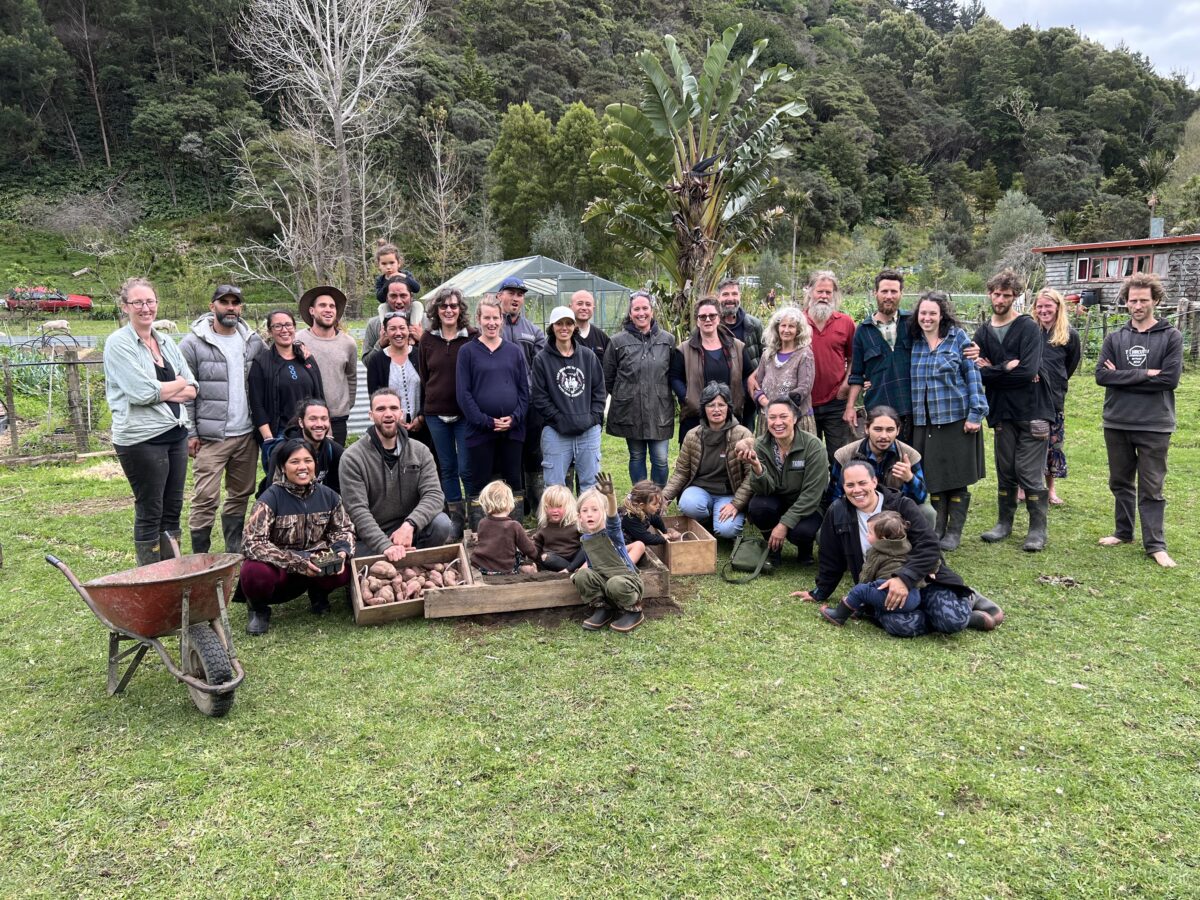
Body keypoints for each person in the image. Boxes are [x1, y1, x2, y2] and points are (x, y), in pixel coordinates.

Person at [793, 462, 1005, 636]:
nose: (856, 490)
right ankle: (944, 615)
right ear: (843, 487)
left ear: (874, 481)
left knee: (952, 623)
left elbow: (929, 545)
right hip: (883, 587)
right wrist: (820, 592)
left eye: (862, 483)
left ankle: (965, 601)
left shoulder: (902, 505)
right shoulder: (837, 511)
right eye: (850, 485)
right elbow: (831, 558)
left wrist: (904, 579)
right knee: (901, 626)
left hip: (924, 579)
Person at [105, 277, 198, 565]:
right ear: (125, 307)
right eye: (138, 302)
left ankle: (171, 572)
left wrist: (167, 390)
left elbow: (193, 388)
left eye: (150, 301)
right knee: (150, 509)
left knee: (172, 508)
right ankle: (150, 576)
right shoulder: (118, 344)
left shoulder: (166, 341)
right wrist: (176, 385)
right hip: (141, 439)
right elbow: (141, 393)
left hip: (175, 434)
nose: (145, 308)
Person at [1095, 273, 1182, 568]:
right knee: (1120, 481)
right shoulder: (1115, 337)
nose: (1137, 305)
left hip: (1154, 424)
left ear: (1155, 300)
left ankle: (1156, 545)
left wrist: (1121, 376)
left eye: (1144, 300)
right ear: (1126, 302)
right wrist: (1146, 373)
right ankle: (1123, 531)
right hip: (1117, 421)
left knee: (1151, 487)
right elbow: (1102, 376)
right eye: (1133, 300)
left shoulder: (1171, 336)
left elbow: (1169, 379)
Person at [970, 269, 1053, 552]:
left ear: (1015, 296)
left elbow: (1029, 370)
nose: (1001, 298)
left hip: (1033, 411)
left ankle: (1037, 530)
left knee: (1028, 472)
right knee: (1006, 471)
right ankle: (1003, 524)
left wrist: (990, 370)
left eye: (1007, 294)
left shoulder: (1029, 327)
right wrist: (1004, 367)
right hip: (1001, 411)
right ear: (990, 294)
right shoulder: (983, 332)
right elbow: (974, 373)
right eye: (996, 293)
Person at [180, 283, 266, 555]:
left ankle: (232, 550)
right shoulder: (193, 343)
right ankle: (200, 557)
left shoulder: (252, 341)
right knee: (205, 497)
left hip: (246, 435)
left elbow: (274, 363)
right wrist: (191, 433)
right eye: (224, 302)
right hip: (211, 436)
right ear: (212, 306)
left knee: (240, 494)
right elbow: (185, 391)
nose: (231, 307)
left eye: (235, 303)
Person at [240, 438, 355, 635]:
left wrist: (342, 551)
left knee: (344, 568)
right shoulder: (270, 499)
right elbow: (252, 543)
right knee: (253, 572)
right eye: (294, 462)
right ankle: (258, 609)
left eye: (308, 461)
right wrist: (297, 562)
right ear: (283, 467)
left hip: (315, 563)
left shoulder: (329, 496)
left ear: (315, 465)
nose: (302, 467)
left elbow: (344, 530)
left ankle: (319, 594)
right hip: (282, 569)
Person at [909, 291, 988, 552]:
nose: (927, 318)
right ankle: (938, 528)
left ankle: (954, 532)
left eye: (932, 313)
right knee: (933, 475)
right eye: (923, 313)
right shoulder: (914, 342)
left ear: (942, 315)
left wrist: (976, 413)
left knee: (956, 476)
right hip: (925, 419)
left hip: (955, 417)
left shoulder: (958, 339)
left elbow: (973, 375)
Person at [339, 389, 451, 562]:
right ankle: (398, 561)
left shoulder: (420, 451)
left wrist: (410, 525)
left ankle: (414, 561)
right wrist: (386, 546)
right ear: (370, 415)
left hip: (409, 532)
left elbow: (434, 495)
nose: (388, 414)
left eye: (393, 408)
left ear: (401, 413)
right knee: (353, 555)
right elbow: (357, 511)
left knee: (442, 524)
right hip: (371, 538)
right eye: (381, 409)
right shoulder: (352, 458)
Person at [456, 295, 529, 527]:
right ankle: (481, 530)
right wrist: (486, 421)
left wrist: (515, 418)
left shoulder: (514, 351)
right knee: (480, 483)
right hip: (480, 431)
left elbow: (524, 392)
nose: (491, 323)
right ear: (478, 319)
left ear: (502, 321)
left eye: (495, 318)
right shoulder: (467, 352)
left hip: (512, 431)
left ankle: (513, 528)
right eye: (486, 318)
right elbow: (463, 394)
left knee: (513, 482)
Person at [735, 397, 829, 568]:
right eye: (772, 417)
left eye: (783, 417)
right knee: (758, 507)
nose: (777, 422)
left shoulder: (814, 446)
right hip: (778, 499)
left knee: (801, 532)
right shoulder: (762, 445)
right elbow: (763, 489)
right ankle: (773, 549)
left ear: (794, 419)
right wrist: (757, 467)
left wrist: (784, 524)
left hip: (809, 505)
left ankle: (805, 548)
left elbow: (812, 494)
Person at [663, 381, 755, 540]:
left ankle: (717, 521)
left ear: (729, 407)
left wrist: (736, 504)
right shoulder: (692, 435)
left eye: (721, 404)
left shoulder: (742, 435)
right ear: (704, 408)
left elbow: (751, 476)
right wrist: (664, 497)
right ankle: (706, 521)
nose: (717, 409)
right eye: (711, 405)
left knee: (726, 531)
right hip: (700, 491)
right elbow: (681, 472)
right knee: (688, 504)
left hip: (729, 494)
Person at [603, 290, 677, 487]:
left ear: (652, 311)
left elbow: (673, 374)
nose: (641, 313)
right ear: (630, 312)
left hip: (659, 409)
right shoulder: (617, 342)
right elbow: (608, 378)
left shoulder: (667, 340)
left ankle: (658, 498)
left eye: (645, 308)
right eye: (636, 309)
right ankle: (640, 498)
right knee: (636, 456)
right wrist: (627, 395)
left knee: (660, 459)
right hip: (631, 410)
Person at [418, 286, 475, 532]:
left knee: (467, 467)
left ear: (460, 309)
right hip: (435, 414)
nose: (449, 310)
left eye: (453, 306)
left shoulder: (472, 337)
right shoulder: (428, 340)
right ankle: (456, 522)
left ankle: (476, 518)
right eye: (444, 306)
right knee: (447, 467)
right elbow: (424, 375)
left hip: (464, 414)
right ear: (436, 310)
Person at [531, 305, 605, 491]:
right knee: (555, 486)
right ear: (552, 327)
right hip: (556, 431)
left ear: (574, 327)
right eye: (559, 324)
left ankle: (589, 520)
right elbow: (539, 397)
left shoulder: (588, 357)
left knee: (590, 484)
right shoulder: (541, 360)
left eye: (569, 323)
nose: (564, 328)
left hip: (588, 431)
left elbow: (599, 392)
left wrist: (592, 419)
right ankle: (559, 520)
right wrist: (559, 419)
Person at [829, 406, 933, 527]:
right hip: (858, 511)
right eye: (878, 429)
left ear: (898, 430)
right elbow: (834, 497)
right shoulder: (845, 455)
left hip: (896, 513)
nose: (884, 436)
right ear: (867, 429)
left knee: (928, 512)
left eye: (890, 430)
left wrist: (910, 478)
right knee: (823, 533)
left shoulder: (909, 455)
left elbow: (921, 498)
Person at [248, 308, 325, 470]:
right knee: (280, 480)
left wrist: (325, 429)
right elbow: (256, 404)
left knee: (309, 477)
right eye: (278, 326)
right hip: (279, 433)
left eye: (288, 325)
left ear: (294, 328)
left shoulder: (306, 359)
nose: (284, 330)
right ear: (270, 331)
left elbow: (319, 396)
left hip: (308, 431)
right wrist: (268, 438)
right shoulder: (262, 363)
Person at [497, 276, 548, 513]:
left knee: (533, 451)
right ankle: (511, 502)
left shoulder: (534, 331)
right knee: (508, 454)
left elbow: (540, 366)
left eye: (520, 294)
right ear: (500, 296)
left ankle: (535, 501)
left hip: (529, 402)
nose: (515, 298)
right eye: (511, 293)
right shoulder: (492, 327)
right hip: (501, 403)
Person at [819, 510, 923, 625]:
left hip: (893, 596)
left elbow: (866, 575)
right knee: (872, 589)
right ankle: (857, 610)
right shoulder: (907, 544)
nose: (866, 535)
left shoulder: (878, 553)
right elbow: (929, 558)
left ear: (882, 538)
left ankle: (839, 615)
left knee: (861, 590)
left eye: (869, 533)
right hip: (914, 596)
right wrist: (933, 571)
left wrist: (858, 590)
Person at [574, 473, 647, 634]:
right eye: (585, 511)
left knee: (615, 583)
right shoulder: (585, 539)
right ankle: (603, 609)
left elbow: (613, 517)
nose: (589, 514)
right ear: (579, 517)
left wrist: (611, 496)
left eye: (594, 510)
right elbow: (592, 564)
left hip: (626, 582)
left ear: (604, 513)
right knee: (581, 576)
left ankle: (634, 611)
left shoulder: (612, 532)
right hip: (605, 582)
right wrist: (581, 573)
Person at [845, 269, 913, 441]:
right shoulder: (863, 331)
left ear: (901, 294)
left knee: (912, 461)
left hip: (913, 407)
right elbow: (857, 374)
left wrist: (968, 347)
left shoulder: (913, 323)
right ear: (875, 293)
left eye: (893, 291)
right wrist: (850, 406)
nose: (889, 296)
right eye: (884, 291)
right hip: (880, 410)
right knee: (881, 461)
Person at [676, 297, 753, 443]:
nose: (707, 320)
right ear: (697, 321)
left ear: (719, 318)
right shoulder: (684, 350)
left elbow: (748, 375)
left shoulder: (737, 346)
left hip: (730, 418)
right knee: (695, 461)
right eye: (702, 316)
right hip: (695, 419)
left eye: (712, 315)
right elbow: (675, 377)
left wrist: (740, 395)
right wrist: (687, 398)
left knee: (730, 462)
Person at [1032, 288, 1081, 505]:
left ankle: (1050, 490)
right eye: (1039, 306)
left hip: (1053, 397)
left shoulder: (1069, 334)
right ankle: (1024, 487)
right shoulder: (1029, 331)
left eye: (1048, 306)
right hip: (1029, 396)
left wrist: (1055, 382)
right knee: (1027, 444)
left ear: (1058, 307)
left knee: (1052, 445)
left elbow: (1070, 365)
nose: (1043, 310)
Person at [803, 270, 856, 461]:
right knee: (810, 457)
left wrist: (845, 385)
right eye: (820, 291)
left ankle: (838, 490)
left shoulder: (846, 323)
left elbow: (853, 359)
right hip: (804, 403)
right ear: (810, 292)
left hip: (835, 401)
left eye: (828, 292)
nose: (824, 296)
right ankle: (816, 491)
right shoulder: (798, 322)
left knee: (839, 455)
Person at [296, 285, 357, 446]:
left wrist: (346, 404)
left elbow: (351, 376)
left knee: (334, 465)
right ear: (311, 311)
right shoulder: (298, 340)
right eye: (322, 305)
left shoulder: (348, 343)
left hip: (337, 417)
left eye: (332, 306)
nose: (328, 309)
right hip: (306, 417)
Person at [365, 312, 432, 456]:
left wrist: (421, 417)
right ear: (385, 333)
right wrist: (394, 419)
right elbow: (374, 395)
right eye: (392, 329)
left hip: (423, 427)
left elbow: (431, 389)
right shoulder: (377, 360)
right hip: (390, 428)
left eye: (402, 328)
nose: (398, 333)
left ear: (409, 330)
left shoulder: (420, 355)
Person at [747, 305, 816, 436]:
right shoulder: (768, 354)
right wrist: (765, 403)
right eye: (783, 326)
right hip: (768, 419)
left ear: (798, 330)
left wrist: (779, 408)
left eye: (791, 326)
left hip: (795, 420)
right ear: (777, 328)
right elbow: (757, 385)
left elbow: (804, 389)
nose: (786, 330)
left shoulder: (805, 355)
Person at [257, 398, 343, 498]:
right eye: (313, 419)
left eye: (324, 419)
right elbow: (272, 494)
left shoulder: (333, 450)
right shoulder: (282, 450)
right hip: (285, 507)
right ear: (301, 422)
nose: (319, 424)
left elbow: (338, 491)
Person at [717, 277, 764, 428]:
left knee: (746, 441)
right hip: (719, 397)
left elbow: (765, 357)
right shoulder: (711, 325)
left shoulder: (753, 325)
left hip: (747, 398)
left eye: (734, 294)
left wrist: (756, 377)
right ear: (718, 297)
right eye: (725, 294)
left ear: (740, 296)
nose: (730, 299)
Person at [469, 480, 540, 575]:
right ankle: (526, 569)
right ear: (509, 503)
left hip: (481, 565)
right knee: (518, 557)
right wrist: (537, 555)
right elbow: (528, 548)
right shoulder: (514, 526)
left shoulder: (482, 522)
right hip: (504, 568)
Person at [363, 271, 424, 364]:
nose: (398, 301)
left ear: (411, 297)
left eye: (403, 295)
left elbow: (439, 361)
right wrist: (380, 345)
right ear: (386, 298)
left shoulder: (426, 322)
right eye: (393, 296)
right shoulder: (374, 325)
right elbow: (367, 363)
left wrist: (422, 340)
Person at [533, 484, 586, 572]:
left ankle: (570, 569)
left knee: (588, 546)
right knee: (547, 558)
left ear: (568, 507)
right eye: (551, 506)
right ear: (545, 508)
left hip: (576, 558)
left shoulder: (575, 523)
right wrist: (531, 561)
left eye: (559, 506)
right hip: (557, 559)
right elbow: (536, 545)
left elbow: (586, 539)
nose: (555, 510)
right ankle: (571, 570)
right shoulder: (544, 527)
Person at [620, 480, 682, 549]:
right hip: (622, 547)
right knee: (640, 548)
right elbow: (646, 538)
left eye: (659, 502)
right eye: (654, 504)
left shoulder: (644, 511)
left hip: (634, 539)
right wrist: (664, 537)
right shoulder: (630, 518)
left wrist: (664, 530)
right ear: (642, 505)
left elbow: (656, 519)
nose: (658, 505)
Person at [570, 289, 610, 362]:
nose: (584, 308)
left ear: (593, 308)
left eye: (588, 304)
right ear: (570, 307)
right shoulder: (564, 335)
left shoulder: (601, 337)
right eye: (579, 303)